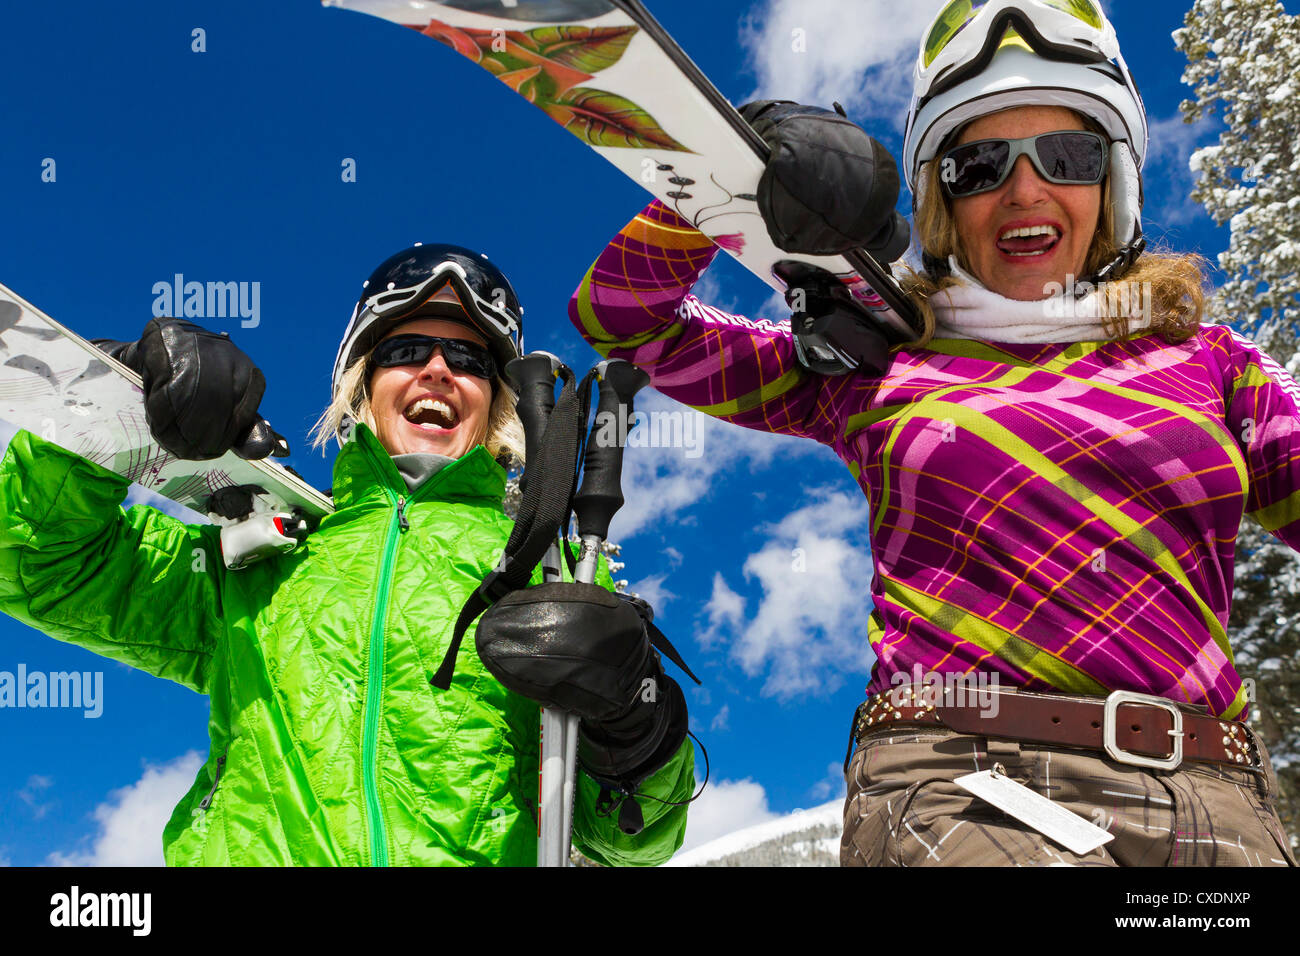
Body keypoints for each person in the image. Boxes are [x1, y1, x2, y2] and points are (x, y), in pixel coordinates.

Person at [567, 0, 1296, 866]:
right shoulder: (876, 360)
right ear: (942, 199)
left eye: (1066, 156)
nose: (1024, 189)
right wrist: (725, 190)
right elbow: (626, 322)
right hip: (964, 778)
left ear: (1115, 181)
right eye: (979, 164)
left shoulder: (1214, 363)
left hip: (1212, 800)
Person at [0, 242, 693, 866]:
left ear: (499, 402)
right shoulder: (262, 559)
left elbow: (634, 840)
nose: (436, 371)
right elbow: (42, 568)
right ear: (360, 384)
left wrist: (637, 722)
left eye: (470, 360)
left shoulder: (552, 577)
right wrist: (117, 413)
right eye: (403, 351)